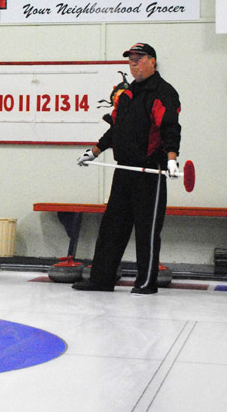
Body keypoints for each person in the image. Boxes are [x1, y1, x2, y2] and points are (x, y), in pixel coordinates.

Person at [74, 43, 181, 295]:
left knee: (147, 230)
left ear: (152, 61)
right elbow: (116, 130)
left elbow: (170, 128)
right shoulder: (127, 94)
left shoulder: (163, 92)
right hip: (124, 171)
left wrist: (172, 160)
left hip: (149, 172)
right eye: (131, 60)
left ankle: (146, 282)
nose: (133, 63)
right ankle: (101, 279)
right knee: (112, 227)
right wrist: (95, 151)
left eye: (139, 59)